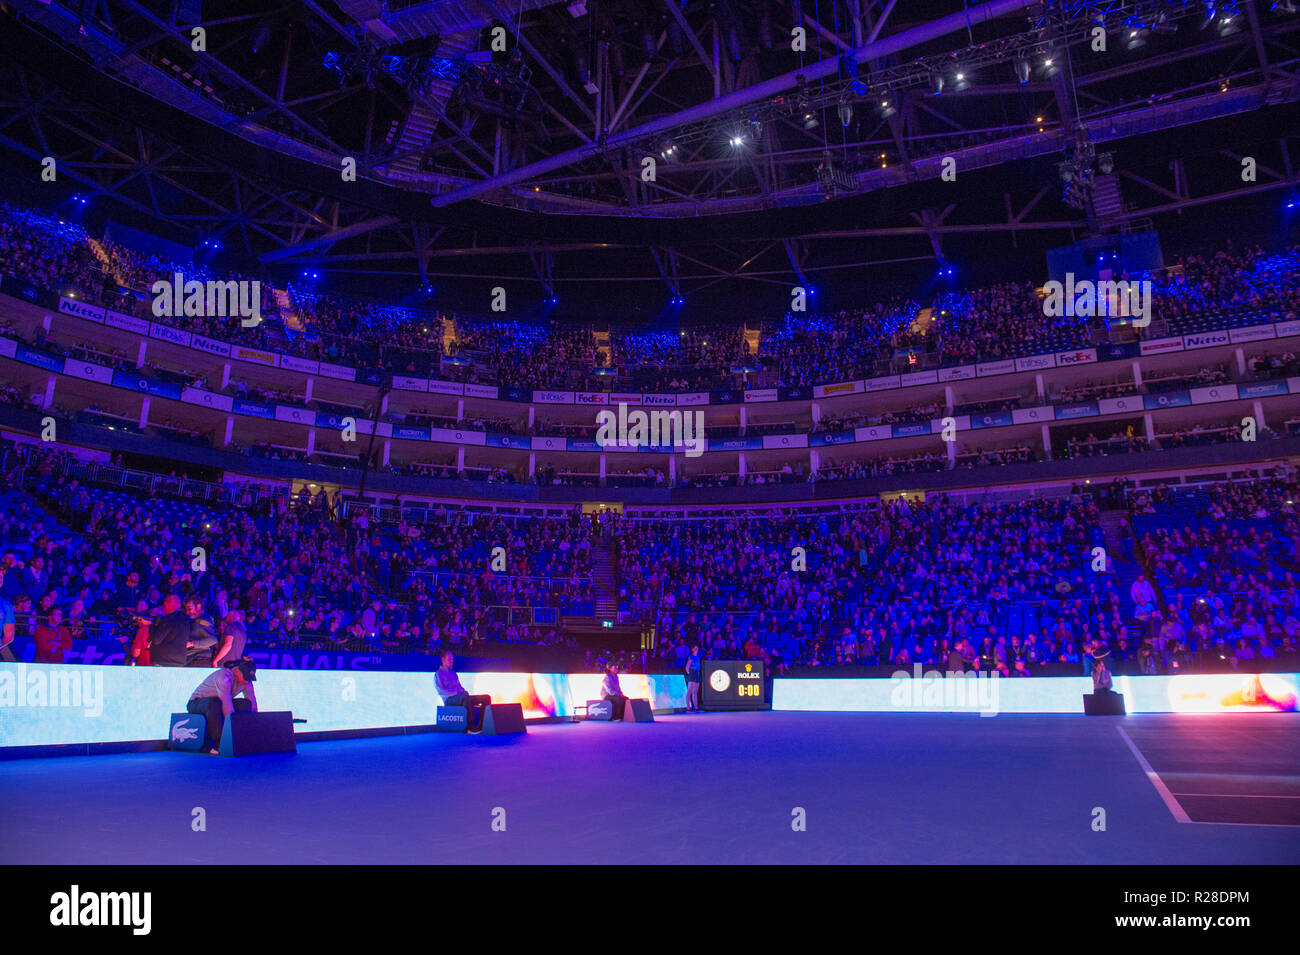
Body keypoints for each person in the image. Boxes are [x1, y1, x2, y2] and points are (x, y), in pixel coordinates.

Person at [186, 659, 258, 755]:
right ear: (237, 672)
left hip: (218, 703)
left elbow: (252, 701)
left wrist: (255, 725)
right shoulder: (224, 677)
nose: (247, 681)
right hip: (197, 703)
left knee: (245, 704)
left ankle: (242, 739)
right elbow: (226, 703)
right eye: (245, 677)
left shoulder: (247, 682)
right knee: (215, 703)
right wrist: (231, 731)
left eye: (249, 678)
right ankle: (219, 744)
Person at [434, 651, 491, 732]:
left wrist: (464, 691)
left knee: (486, 698)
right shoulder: (438, 674)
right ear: (443, 660)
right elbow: (441, 690)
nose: (451, 661)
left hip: (461, 697)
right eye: (449, 659)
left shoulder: (454, 674)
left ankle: (482, 725)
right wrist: (458, 693)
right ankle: (471, 727)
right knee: (464, 697)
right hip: (449, 699)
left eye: (452, 659)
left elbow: (460, 687)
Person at [685, 644, 702, 711]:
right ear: (692, 649)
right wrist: (690, 674)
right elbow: (687, 667)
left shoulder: (698, 657)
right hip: (692, 673)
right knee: (689, 691)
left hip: (697, 673)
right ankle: (688, 707)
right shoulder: (691, 657)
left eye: (697, 648)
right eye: (695, 648)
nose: (696, 649)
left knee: (695, 692)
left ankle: (696, 706)